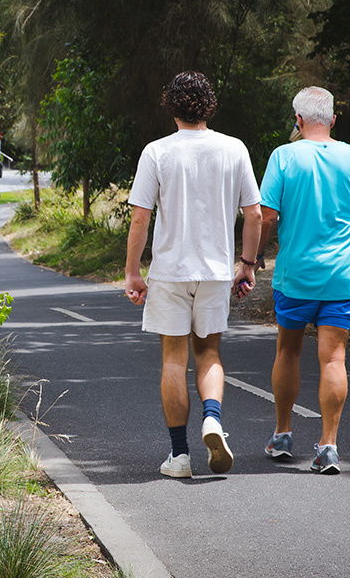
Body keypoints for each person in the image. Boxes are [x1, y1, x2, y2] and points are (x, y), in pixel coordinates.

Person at [124, 71, 263, 478]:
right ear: (209, 106)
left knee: (174, 358)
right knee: (209, 354)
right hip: (216, 272)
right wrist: (247, 265)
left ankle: (180, 455)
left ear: (171, 107)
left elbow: (140, 218)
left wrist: (132, 272)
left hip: (170, 272)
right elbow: (254, 214)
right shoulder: (234, 149)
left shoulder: (157, 152)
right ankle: (213, 419)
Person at [258, 86, 350, 475]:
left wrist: (255, 256)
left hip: (296, 274)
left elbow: (267, 216)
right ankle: (328, 447)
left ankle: (282, 434)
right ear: (333, 120)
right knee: (334, 358)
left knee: (288, 351)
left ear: (298, 119)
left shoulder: (284, 156)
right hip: (343, 276)